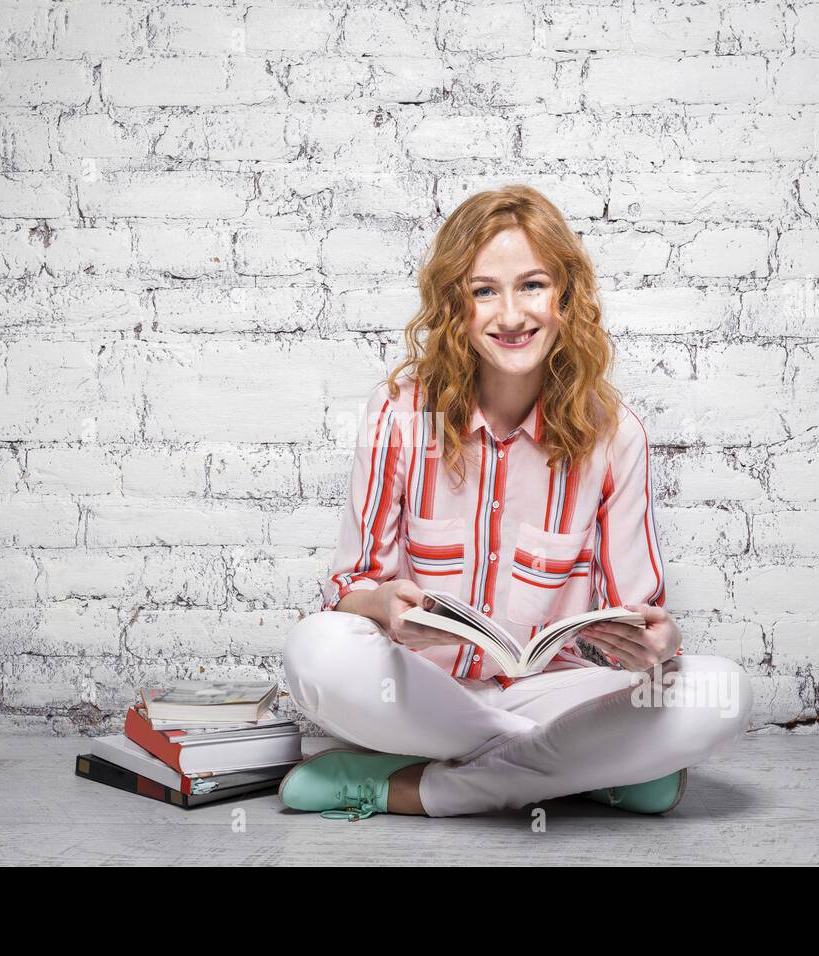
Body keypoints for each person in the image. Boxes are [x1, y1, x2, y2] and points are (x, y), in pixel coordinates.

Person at [280, 184, 752, 821]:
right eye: (483, 291)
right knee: (318, 648)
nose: (509, 315)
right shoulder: (397, 415)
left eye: (531, 285)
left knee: (722, 692)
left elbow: (636, 619)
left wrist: (658, 643)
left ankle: (421, 789)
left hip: (555, 693)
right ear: (456, 306)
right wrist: (384, 605)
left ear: (565, 297)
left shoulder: (616, 436)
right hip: (428, 699)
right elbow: (349, 584)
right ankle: (581, 770)